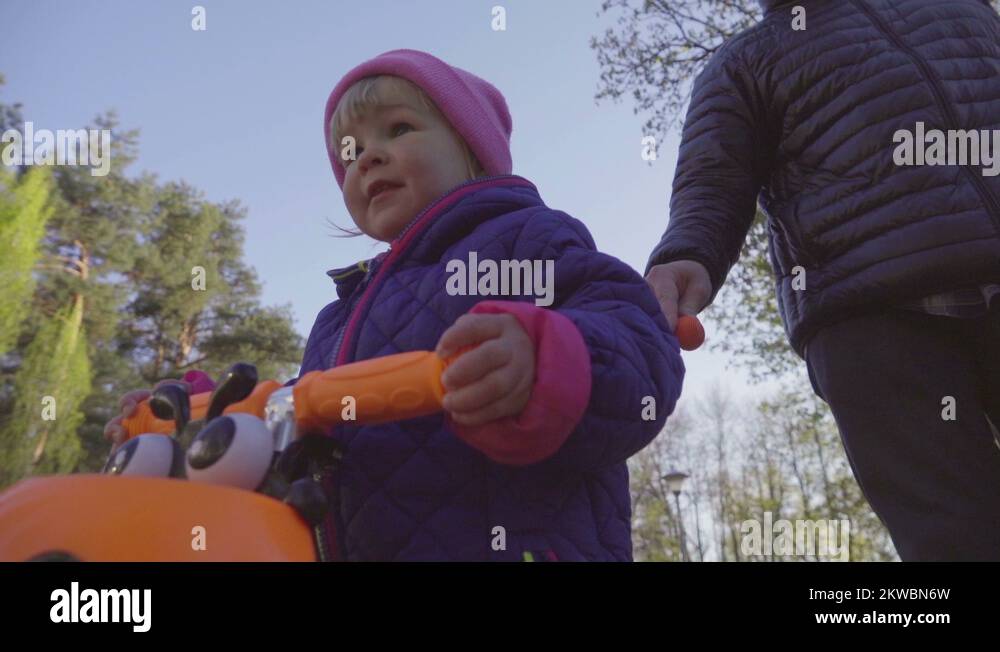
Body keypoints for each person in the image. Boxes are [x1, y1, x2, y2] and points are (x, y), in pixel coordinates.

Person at [107, 49, 684, 561]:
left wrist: (545, 360)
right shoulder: (340, 316)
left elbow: (637, 342)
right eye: (350, 151)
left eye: (399, 128)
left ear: (472, 151)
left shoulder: (526, 239)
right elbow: (296, 416)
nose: (366, 158)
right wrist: (205, 411)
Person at [645, 0, 1000, 560]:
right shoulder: (743, 63)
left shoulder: (961, 9)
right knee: (957, 538)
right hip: (870, 320)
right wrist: (687, 255)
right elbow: (712, 181)